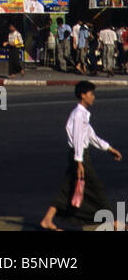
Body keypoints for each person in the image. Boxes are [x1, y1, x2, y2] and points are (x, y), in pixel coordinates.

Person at [41, 80, 124, 231]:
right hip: (80, 157)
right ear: (83, 95)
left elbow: (91, 136)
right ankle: (115, 223)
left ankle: (47, 219)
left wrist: (109, 148)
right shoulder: (79, 114)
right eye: (91, 94)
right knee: (96, 188)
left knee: (67, 189)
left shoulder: (83, 114)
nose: (94, 97)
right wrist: (79, 162)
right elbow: (78, 138)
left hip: (78, 156)